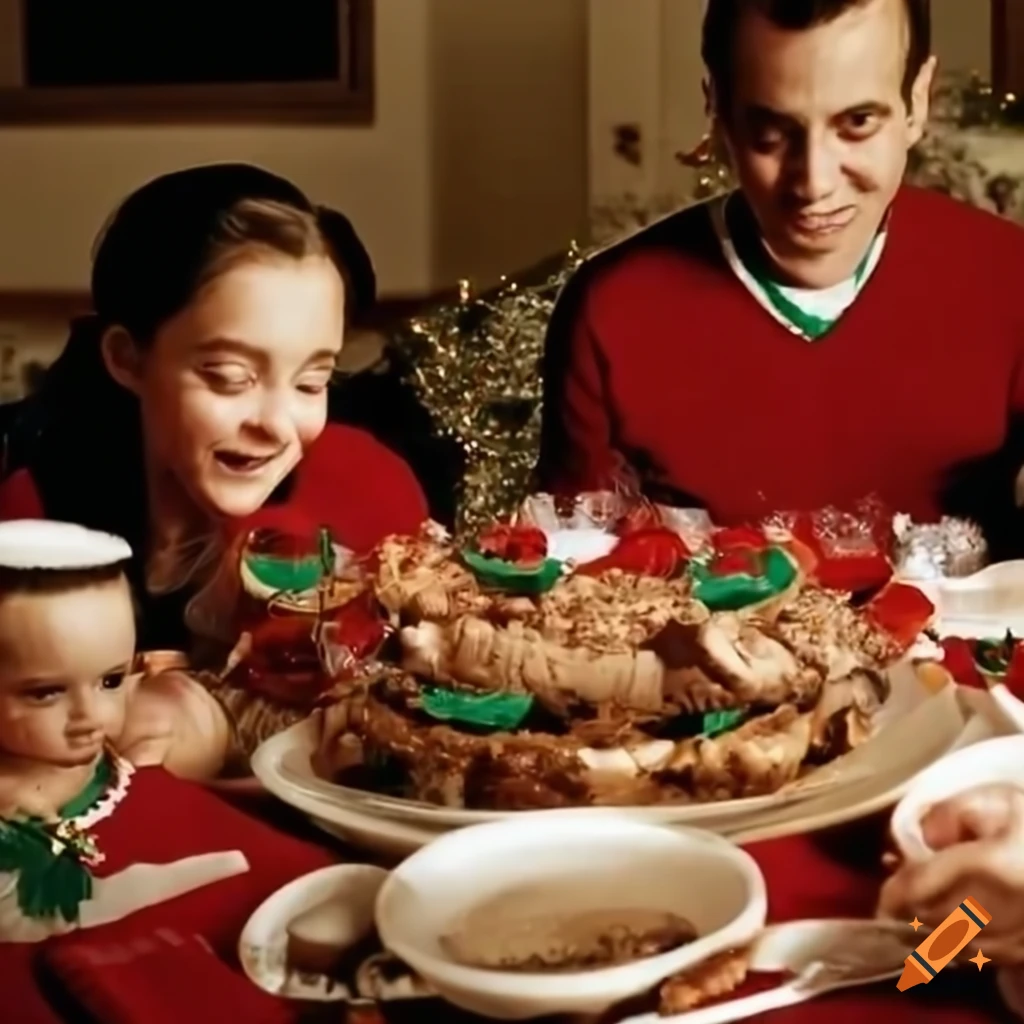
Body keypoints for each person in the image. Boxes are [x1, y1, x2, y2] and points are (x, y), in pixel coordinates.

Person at [537, 0, 1024, 554]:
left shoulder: (1011, 278)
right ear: (718, 110)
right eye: (770, 131)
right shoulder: (612, 310)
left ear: (916, 102)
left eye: (857, 123)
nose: (814, 183)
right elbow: (571, 577)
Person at [0, 163, 428, 654]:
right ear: (128, 359)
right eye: (229, 377)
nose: (275, 424)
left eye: (312, 383)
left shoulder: (370, 495)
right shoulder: (32, 523)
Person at [0, 520, 334, 1024]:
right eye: (46, 692)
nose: (90, 716)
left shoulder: (146, 786)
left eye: (111, 681)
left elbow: (280, 872)